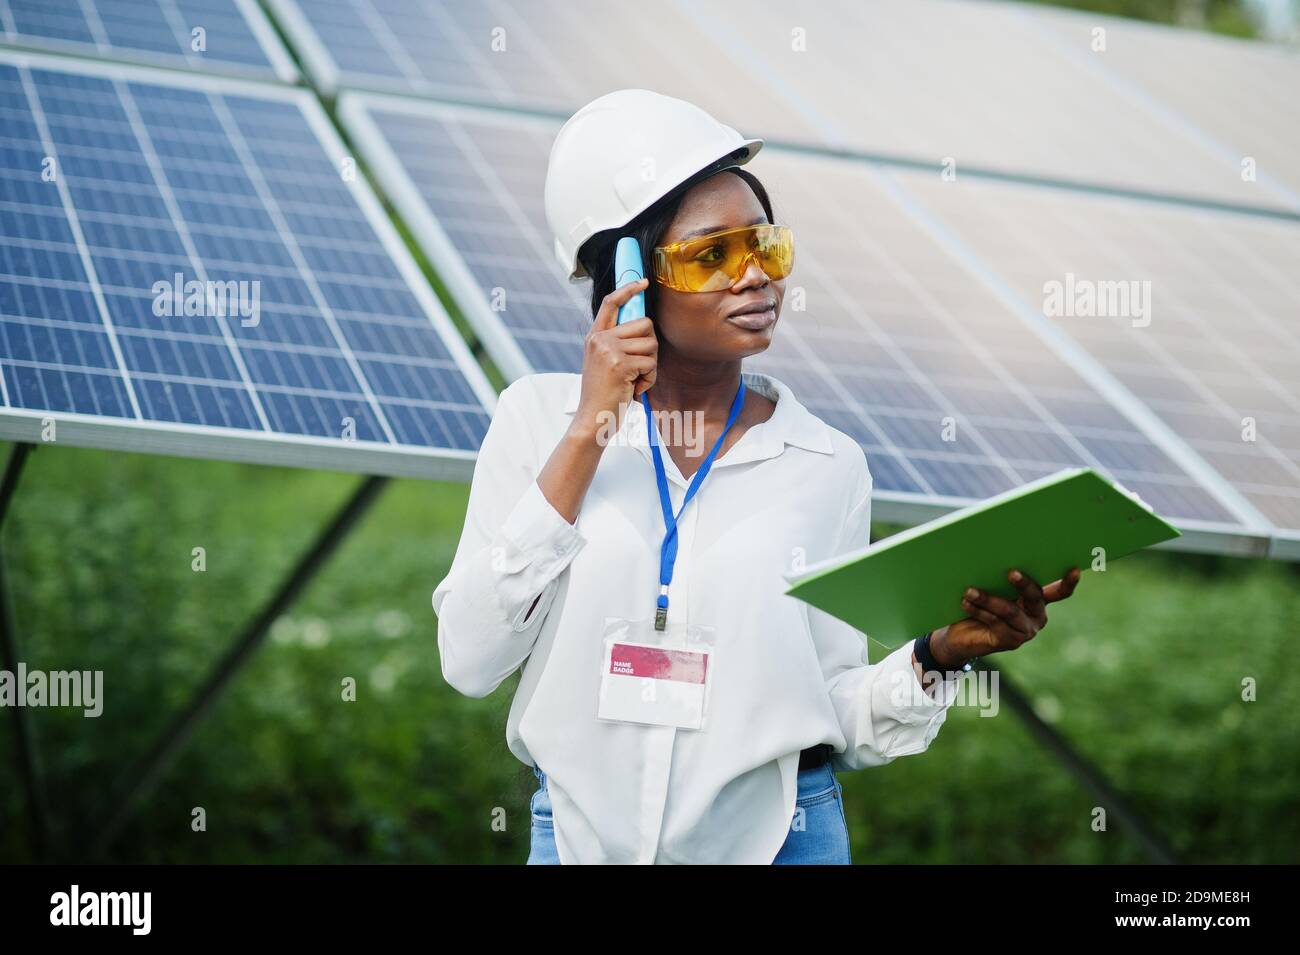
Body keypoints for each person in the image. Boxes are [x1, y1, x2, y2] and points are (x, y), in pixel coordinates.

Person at [431, 90, 1082, 865]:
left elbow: (833, 708)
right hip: (576, 842)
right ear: (631, 276)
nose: (754, 279)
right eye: (713, 255)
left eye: (764, 248)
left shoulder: (827, 464)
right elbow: (469, 658)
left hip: (785, 840)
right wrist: (589, 431)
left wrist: (939, 655)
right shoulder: (535, 422)